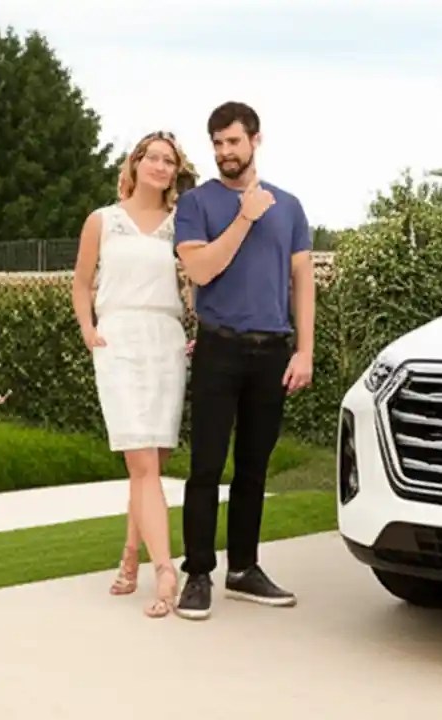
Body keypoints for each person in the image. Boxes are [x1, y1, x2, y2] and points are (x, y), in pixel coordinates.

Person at [170, 101, 315, 621]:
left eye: (233, 141)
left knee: (253, 468)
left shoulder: (291, 207)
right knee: (205, 467)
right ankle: (198, 575)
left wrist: (305, 350)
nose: (224, 152)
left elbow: (303, 282)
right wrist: (244, 218)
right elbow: (202, 271)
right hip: (218, 347)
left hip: (272, 352)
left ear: (256, 140)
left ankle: (244, 569)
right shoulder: (196, 204)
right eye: (216, 143)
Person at [71, 130, 197, 618]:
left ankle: (129, 558)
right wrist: (89, 329)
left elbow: (195, 285)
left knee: (150, 465)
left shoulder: (180, 225)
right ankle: (166, 571)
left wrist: (197, 328)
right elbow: (81, 283)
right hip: (119, 341)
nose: (161, 167)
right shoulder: (102, 221)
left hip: (165, 342)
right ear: (136, 162)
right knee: (141, 461)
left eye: (169, 161)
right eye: (153, 158)